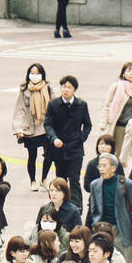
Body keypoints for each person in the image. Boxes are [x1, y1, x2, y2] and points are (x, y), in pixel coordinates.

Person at [44, 76, 93, 209]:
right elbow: (48, 124)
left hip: (75, 148)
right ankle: (61, 204)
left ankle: (77, 206)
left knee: (74, 179)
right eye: (64, 87)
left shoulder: (81, 105)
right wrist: (54, 138)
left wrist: (81, 138)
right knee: (61, 179)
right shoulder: (53, 104)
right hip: (58, 148)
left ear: (74, 90)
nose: (66, 90)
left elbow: (87, 125)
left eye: (69, 87)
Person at [13, 63, 55, 190]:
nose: (35, 76)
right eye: (32, 73)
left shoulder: (48, 88)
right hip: (30, 127)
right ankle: (33, 180)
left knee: (49, 155)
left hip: (45, 127)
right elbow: (19, 109)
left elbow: (55, 107)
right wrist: (19, 129)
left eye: (37, 73)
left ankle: (44, 179)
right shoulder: (24, 89)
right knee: (32, 155)